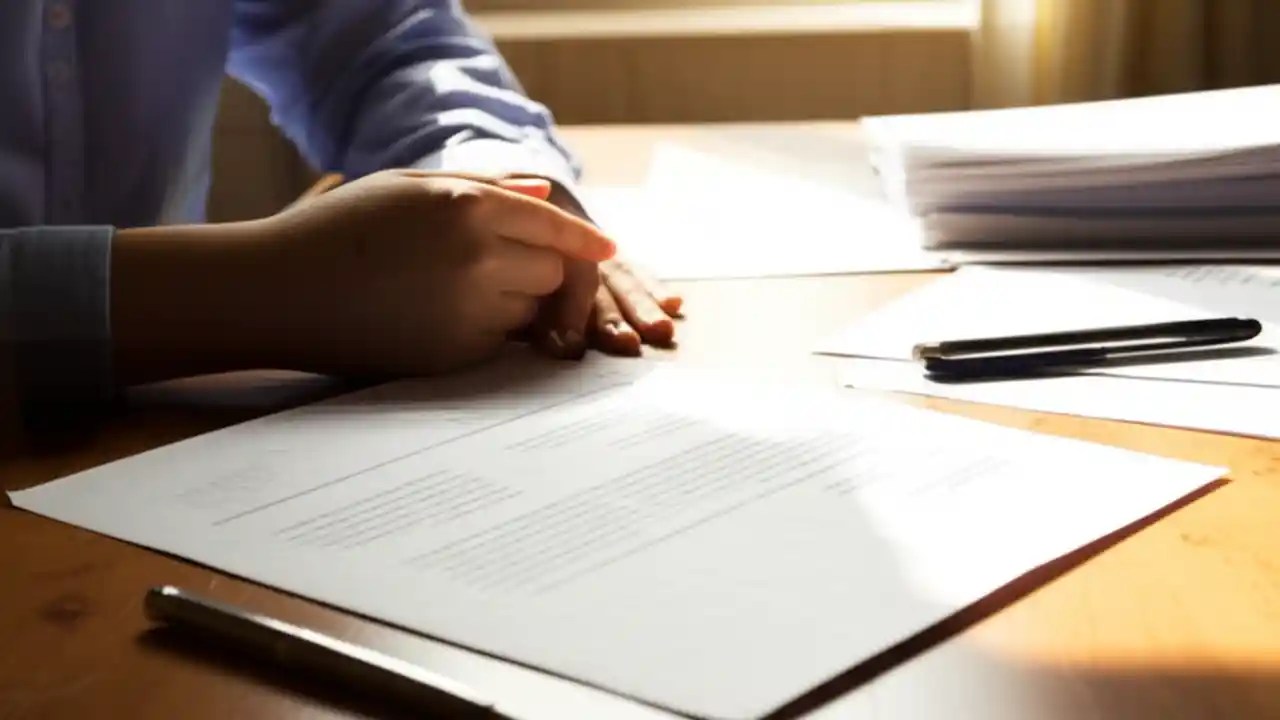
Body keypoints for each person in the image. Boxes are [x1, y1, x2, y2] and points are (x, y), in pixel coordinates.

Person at [0, 1, 682, 425]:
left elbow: (381, 37)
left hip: (161, 438)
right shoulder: (277, 298)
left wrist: (496, 184)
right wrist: (263, 291)